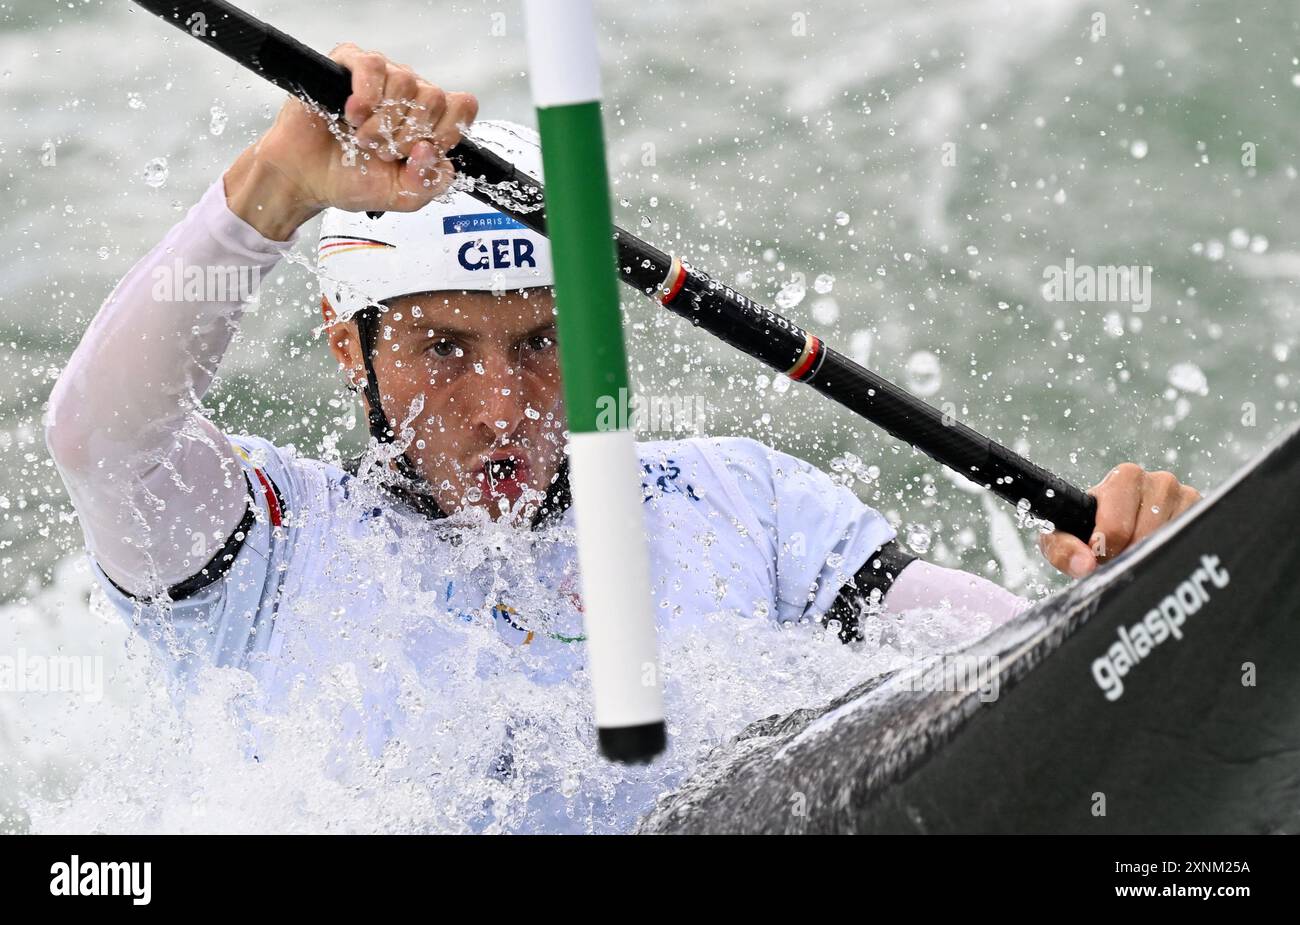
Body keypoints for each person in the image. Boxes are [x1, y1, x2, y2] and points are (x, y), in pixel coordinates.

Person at [44, 45, 1201, 829]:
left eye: (545, 343)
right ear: (350, 349)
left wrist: (1131, 600)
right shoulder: (266, 550)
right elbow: (101, 439)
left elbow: (998, 677)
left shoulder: (745, 505)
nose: (503, 405)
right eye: (445, 350)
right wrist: (271, 192)